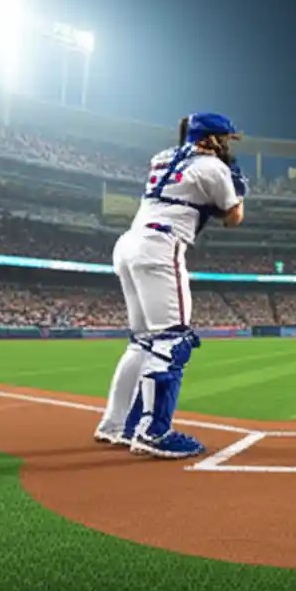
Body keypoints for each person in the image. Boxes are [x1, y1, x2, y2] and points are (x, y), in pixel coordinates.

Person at [93, 113, 248, 459]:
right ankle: (154, 431)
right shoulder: (213, 167)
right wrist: (237, 188)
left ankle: (116, 425)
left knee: (142, 342)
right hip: (160, 247)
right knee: (172, 341)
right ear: (209, 139)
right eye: (223, 138)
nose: (226, 145)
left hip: (129, 243)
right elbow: (233, 218)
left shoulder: (161, 157)